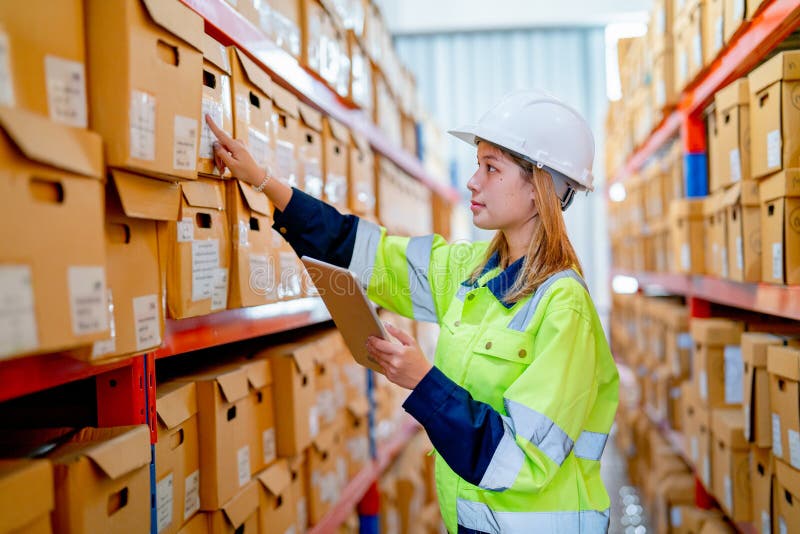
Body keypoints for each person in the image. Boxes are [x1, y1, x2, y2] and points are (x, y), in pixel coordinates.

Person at [205, 89, 619, 534]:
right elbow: (365, 252)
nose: (473, 181)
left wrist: (424, 381)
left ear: (539, 190)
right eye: (477, 164)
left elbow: (517, 461)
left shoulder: (564, 307)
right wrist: (266, 182)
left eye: (491, 168)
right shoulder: (469, 273)